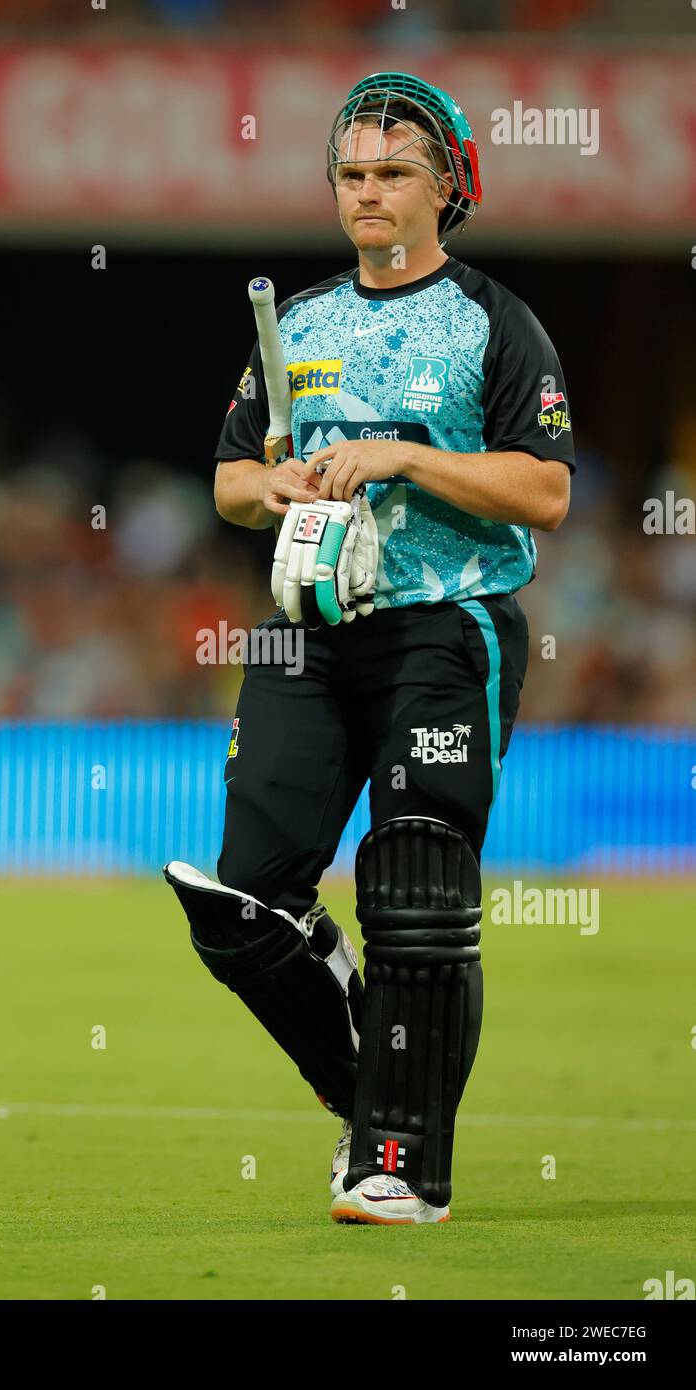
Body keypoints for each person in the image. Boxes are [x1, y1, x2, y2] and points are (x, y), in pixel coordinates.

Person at [165, 72, 574, 1224]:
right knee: (242, 901)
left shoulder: (497, 322)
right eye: (351, 175)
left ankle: (399, 1161)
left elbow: (541, 491)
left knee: (415, 887)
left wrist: (399, 456)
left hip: (446, 628)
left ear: (446, 188)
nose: (367, 195)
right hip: (307, 633)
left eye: (393, 174)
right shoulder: (298, 327)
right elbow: (231, 481)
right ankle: (372, 1091)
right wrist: (278, 483)